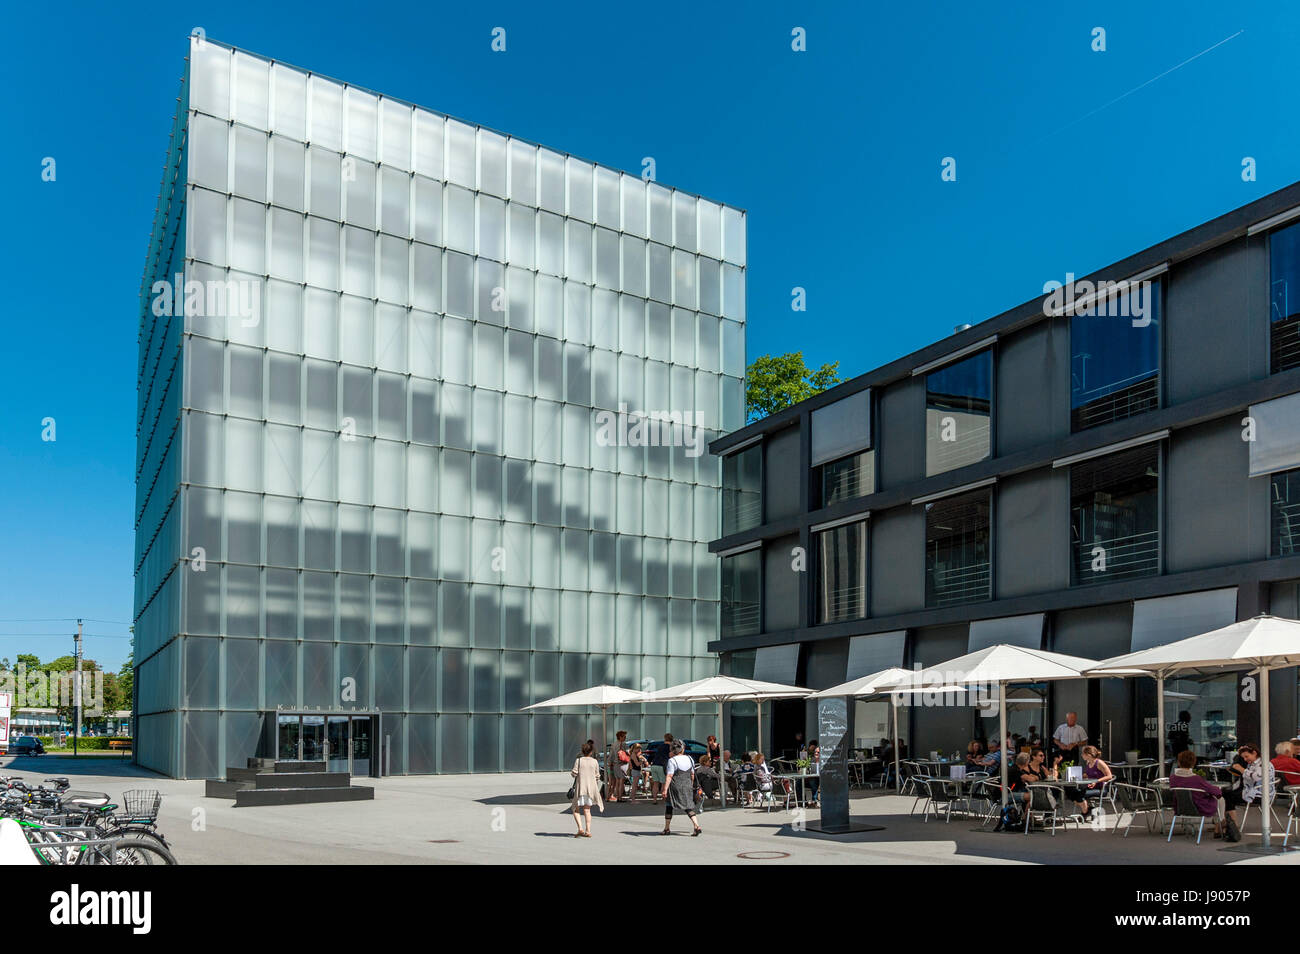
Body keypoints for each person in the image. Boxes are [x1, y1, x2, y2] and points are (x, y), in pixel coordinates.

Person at [1169, 749, 1229, 839]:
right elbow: (1217, 792)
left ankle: (1219, 824)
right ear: (1193, 763)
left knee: (1216, 798)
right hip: (1199, 807)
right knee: (1220, 799)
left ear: (1179, 762)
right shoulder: (1196, 779)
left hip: (1180, 807)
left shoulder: (1173, 778)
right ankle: (1220, 823)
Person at [1225, 743, 1275, 829]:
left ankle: (1231, 825)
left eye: (1246, 756)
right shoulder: (1254, 764)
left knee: (1228, 796)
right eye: (1243, 757)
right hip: (1253, 790)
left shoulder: (1263, 764)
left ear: (1254, 753)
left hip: (1260, 794)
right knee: (1225, 793)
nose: (1245, 759)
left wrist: (1241, 769)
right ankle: (1226, 823)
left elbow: (1256, 777)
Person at [662, 740, 702, 836]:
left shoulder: (672, 760)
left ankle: (667, 828)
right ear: (682, 749)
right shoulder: (690, 759)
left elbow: (669, 776)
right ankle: (696, 825)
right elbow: (692, 774)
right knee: (688, 806)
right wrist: (691, 785)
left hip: (675, 786)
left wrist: (665, 789)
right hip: (687, 785)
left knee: (669, 805)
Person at [570, 740, 604, 837]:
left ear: (582, 751)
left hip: (581, 789)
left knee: (575, 809)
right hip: (591, 789)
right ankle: (588, 830)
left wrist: (575, 774)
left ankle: (580, 828)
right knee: (587, 810)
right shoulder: (595, 761)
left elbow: (574, 773)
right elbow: (597, 776)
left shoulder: (579, 760)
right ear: (591, 752)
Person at [608, 730, 630, 802]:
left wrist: (610, 763)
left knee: (617, 781)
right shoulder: (623, 744)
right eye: (624, 736)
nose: (625, 738)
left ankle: (618, 797)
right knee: (621, 781)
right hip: (621, 764)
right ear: (620, 737)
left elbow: (611, 755)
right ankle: (620, 797)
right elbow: (628, 752)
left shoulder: (613, 744)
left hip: (615, 765)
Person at [649, 734, 673, 800]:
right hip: (661, 766)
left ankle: (654, 799)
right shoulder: (670, 747)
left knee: (655, 783)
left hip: (654, 765)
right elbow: (671, 756)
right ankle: (663, 799)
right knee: (663, 783)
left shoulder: (660, 746)